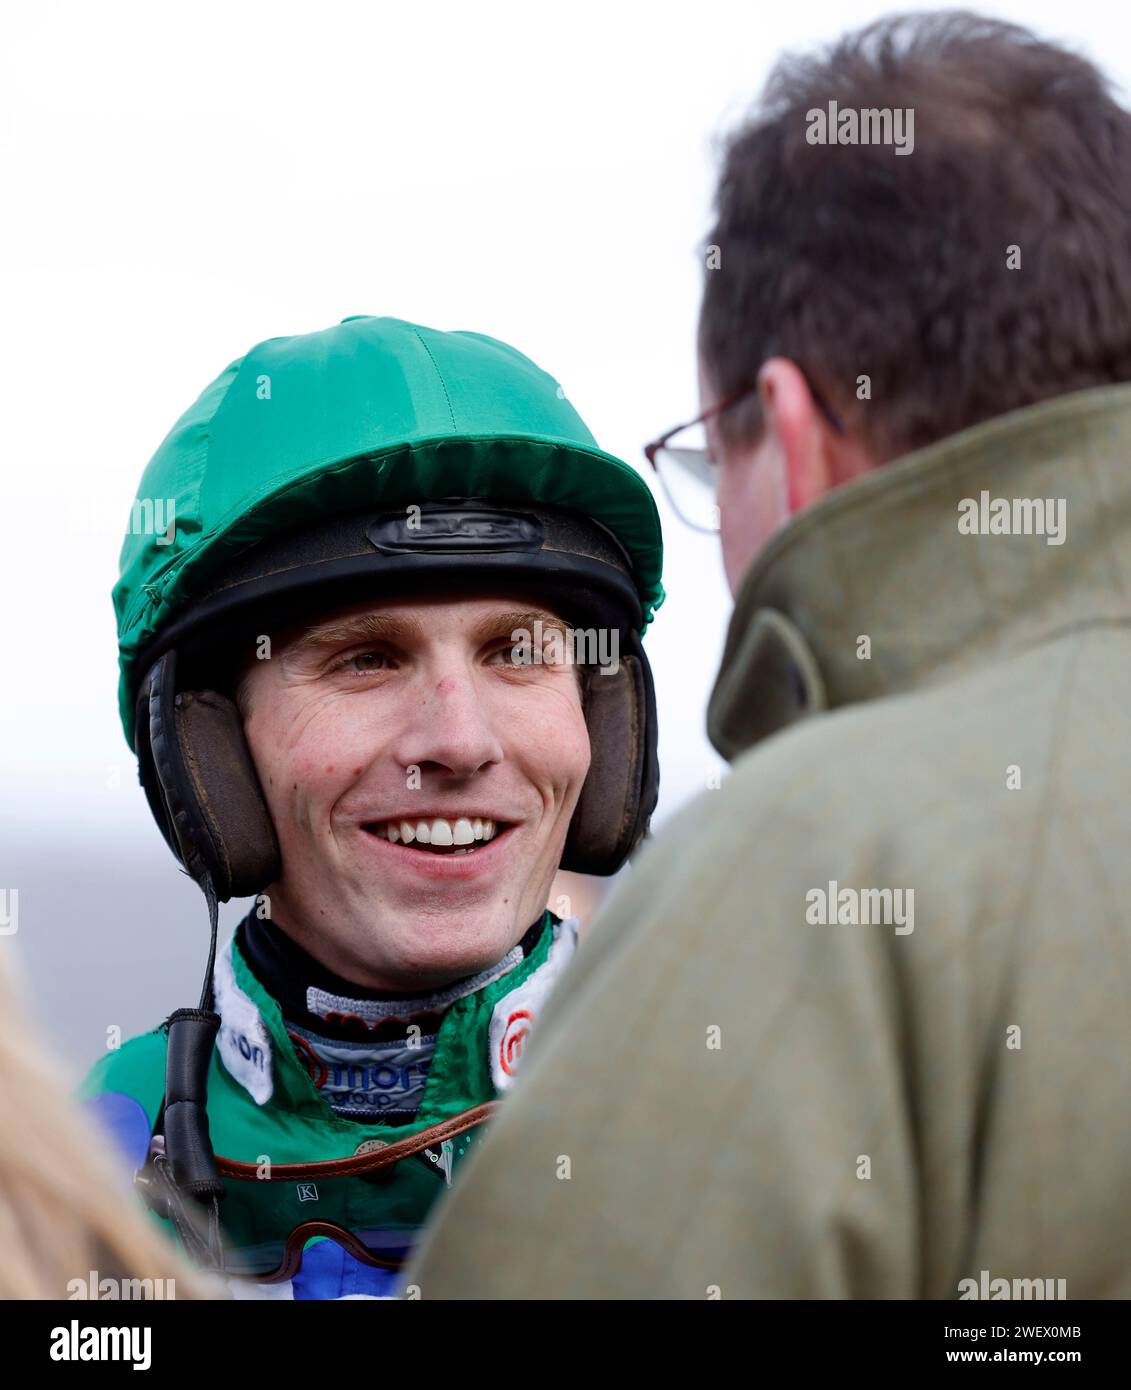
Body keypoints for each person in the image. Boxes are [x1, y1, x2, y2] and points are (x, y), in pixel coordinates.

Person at [407, 12, 1131, 1298]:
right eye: (364, 659)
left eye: (708, 456)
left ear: (787, 430)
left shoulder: (813, 871)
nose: (457, 738)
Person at [79, 314, 663, 1298]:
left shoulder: (763, 1115)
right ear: (207, 749)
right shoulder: (84, 1173)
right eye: (366, 658)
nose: (460, 740)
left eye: (517, 653)